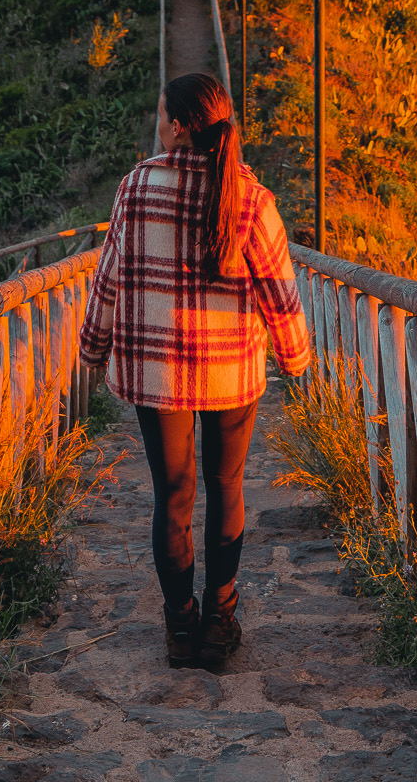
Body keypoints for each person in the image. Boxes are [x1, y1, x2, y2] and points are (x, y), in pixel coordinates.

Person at [80, 73, 311, 671]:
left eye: (162, 117)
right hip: (231, 370)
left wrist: (92, 349)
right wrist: (296, 361)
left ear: (179, 125)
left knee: (172, 497)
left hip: (157, 374)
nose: (158, 127)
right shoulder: (252, 199)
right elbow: (280, 292)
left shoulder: (136, 188)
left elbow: (109, 277)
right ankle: (221, 619)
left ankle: (181, 627)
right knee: (226, 487)